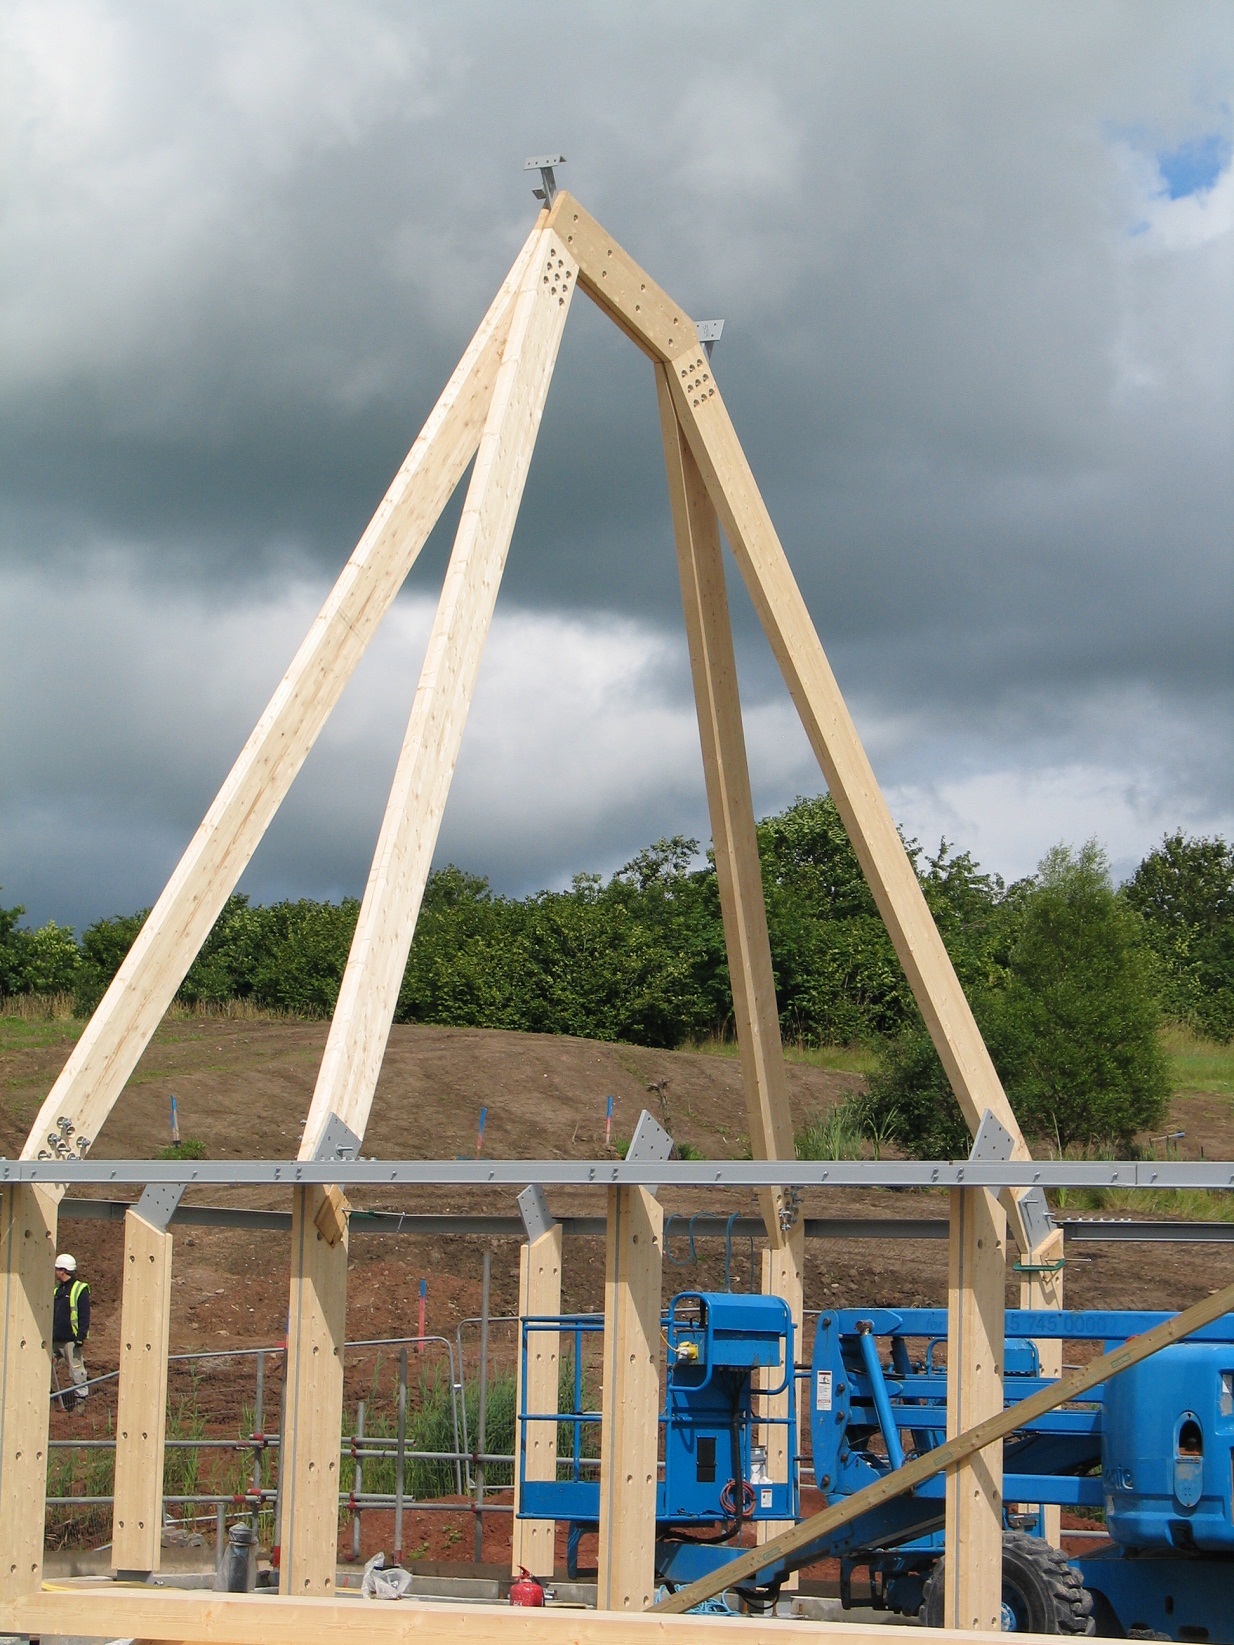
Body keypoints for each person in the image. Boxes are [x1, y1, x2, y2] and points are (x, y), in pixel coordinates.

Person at [52, 1254, 90, 1412]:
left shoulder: (79, 1289)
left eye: (57, 1269)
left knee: (76, 1370)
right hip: (55, 1338)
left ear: (63, 1270)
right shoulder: (57, 1290)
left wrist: (80, 1337)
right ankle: (46, 1398)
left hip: (71, 1339)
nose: (55, 1272)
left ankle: (80, 1402)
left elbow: (84, 1315)